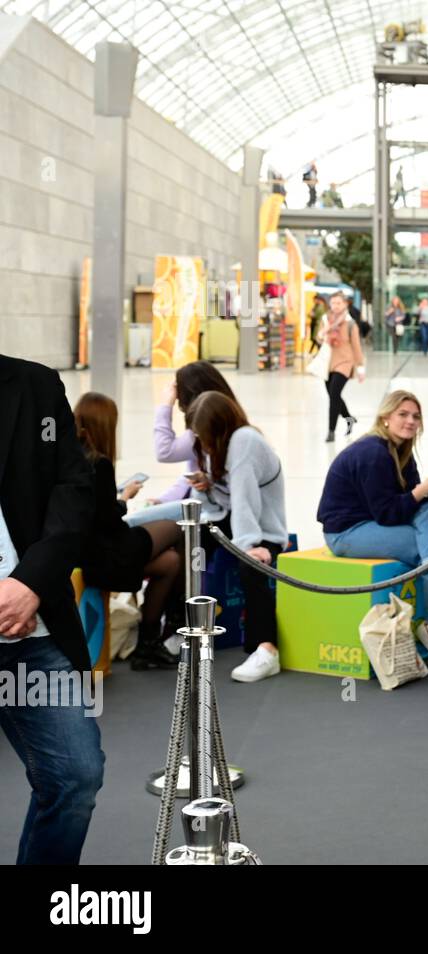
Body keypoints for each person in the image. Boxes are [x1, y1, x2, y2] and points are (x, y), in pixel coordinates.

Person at [0, 353, 100, 864]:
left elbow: (74, 489)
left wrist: (31, 581)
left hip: (33, 634)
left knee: (75, 776)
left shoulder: (36, 385)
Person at [317, 390, 428, 665]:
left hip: (372, 524)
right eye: (403, 414)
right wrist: (423, 489)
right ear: (385, 417)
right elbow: (389, 513)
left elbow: (411, 504)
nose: (411, 421)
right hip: (346, 533)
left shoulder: (400, 450)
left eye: (416, 416)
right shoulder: (373, 452)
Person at [73, 393, 184, 671]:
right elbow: (109, 519)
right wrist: (125, 498)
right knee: (177, 527)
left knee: (170, 562)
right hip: (109, 552)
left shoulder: (69, 459)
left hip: (89, 552)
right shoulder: (99, 463)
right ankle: (176, 623)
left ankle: (149, 643)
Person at [187, 392, 289, 683]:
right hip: (235, 522)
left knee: (250, 568)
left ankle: (266, 649)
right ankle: (184, 626)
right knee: (189, 541)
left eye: (203, 433)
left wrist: (248, 546)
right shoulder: (223, 444)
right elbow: (229, 500)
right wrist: (207, 486)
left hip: (264, 529)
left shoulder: (243, 441)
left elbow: (245, 499)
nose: (200, 440)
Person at [127, 360, 244, 528]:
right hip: (205, 502)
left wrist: (165, 404)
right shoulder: (227, 419)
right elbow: (190, 476)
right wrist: (163, 500)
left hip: (211, 507)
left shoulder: (209, 429)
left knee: (133, 522)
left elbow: (164, 452)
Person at [319, 291, 364, 444]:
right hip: (328, 363)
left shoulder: (351, 324)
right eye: (333, 303)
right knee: (333, 395)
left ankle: (331, 431)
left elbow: (357, 347)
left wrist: (360, 368)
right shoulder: (326, 320)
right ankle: (349, 418)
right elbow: (319, 339)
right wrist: (324, 332)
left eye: (339, 303)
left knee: (334, 394)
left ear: (345, 304)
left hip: (345, 362)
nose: (335, 306)